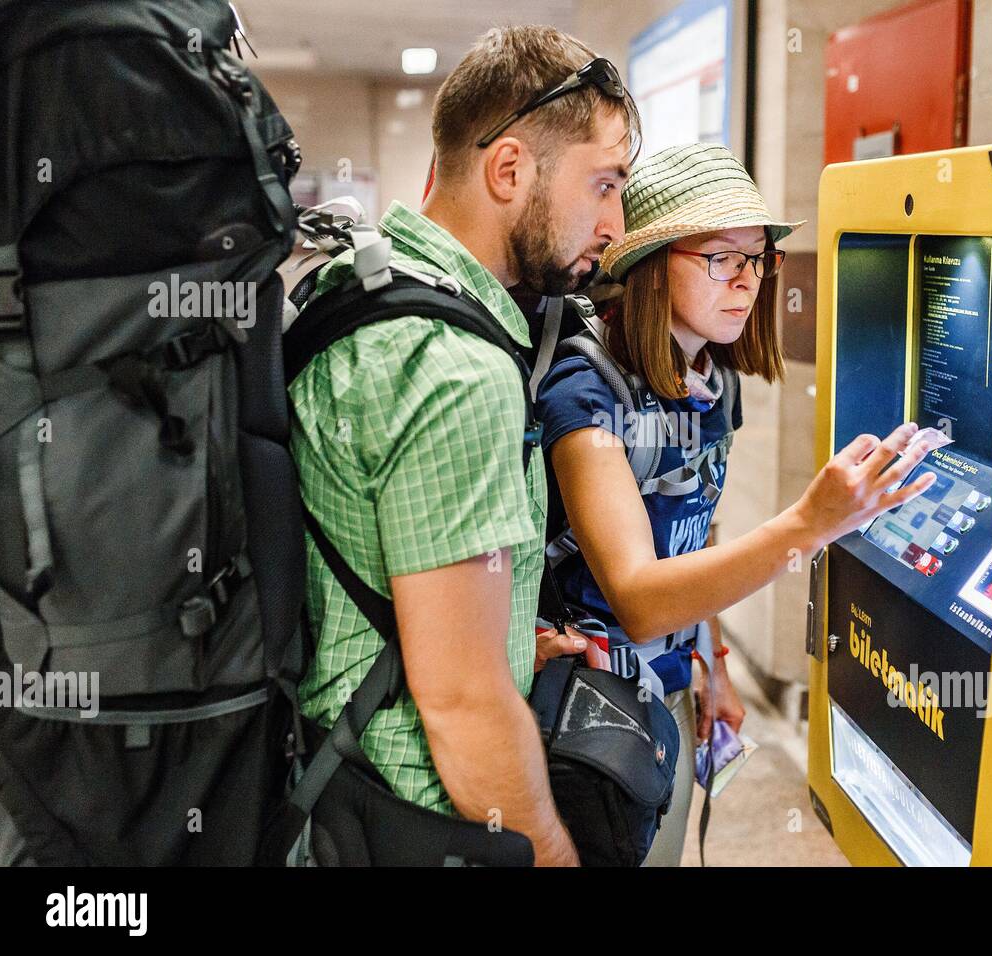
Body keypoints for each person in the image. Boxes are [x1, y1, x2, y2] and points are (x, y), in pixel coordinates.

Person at [288, 26, 639, 866]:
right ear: (509, 169)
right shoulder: (457, 370)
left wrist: (510, 630)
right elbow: (462, 704)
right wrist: (551, 852)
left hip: (329, 774)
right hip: (414, 814)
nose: (617, 225)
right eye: (604, 185)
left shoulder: (359, 282)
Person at [536, 143, 937, 865]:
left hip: (672, 685)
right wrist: (808, 526)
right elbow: (638, 596)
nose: (748, 282)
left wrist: (712, 659)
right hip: (588, 710)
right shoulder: (585, 394)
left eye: (759, 259)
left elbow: (694, 537)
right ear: (649, 264)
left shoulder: (712, 377)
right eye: (721, 257)